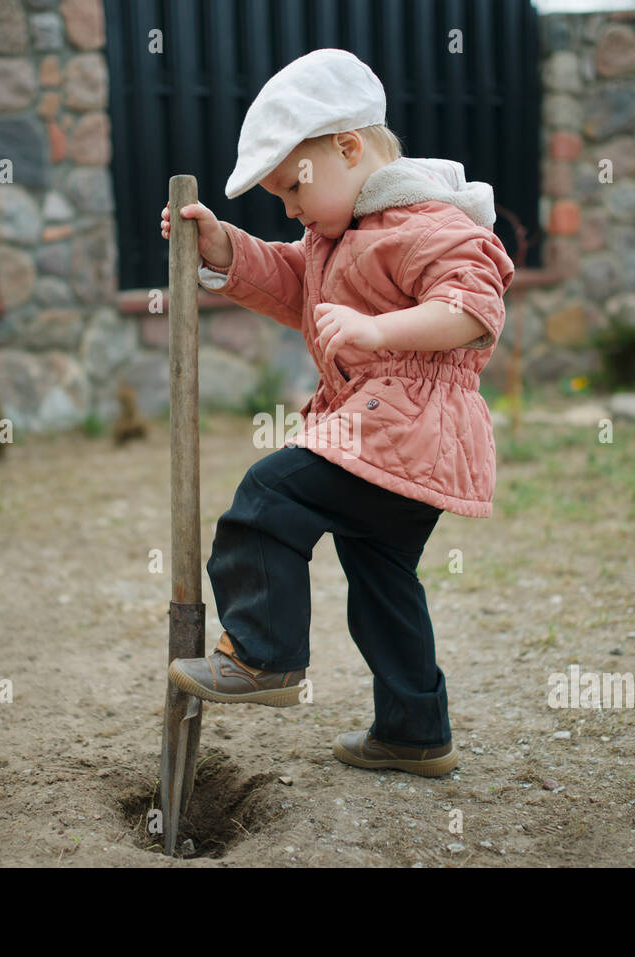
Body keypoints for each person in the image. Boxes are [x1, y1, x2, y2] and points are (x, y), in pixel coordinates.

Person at [159, 49, 515, 777]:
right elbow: (294, 282)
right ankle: (415, 730)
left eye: (294, 188)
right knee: (381, 577)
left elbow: (475, 307)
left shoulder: (428, 223)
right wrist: (227, 248)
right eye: (280, 202)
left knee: (270, 494)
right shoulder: (340, 235)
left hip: (406, 426)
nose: (291, 210)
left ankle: (263, 653)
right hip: (396, 436)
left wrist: (381, 332)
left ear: (348, 148)